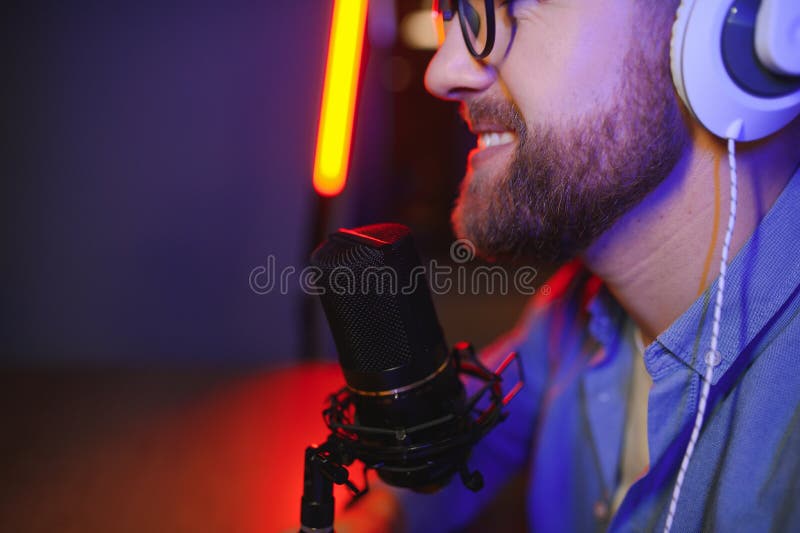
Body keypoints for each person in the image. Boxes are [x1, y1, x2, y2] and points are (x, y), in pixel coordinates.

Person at [339, 0, 800, 531]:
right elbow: (457, 446)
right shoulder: (569, 316)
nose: (443, 72)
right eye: (456, 11)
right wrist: (382, 513)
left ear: (726, 25)